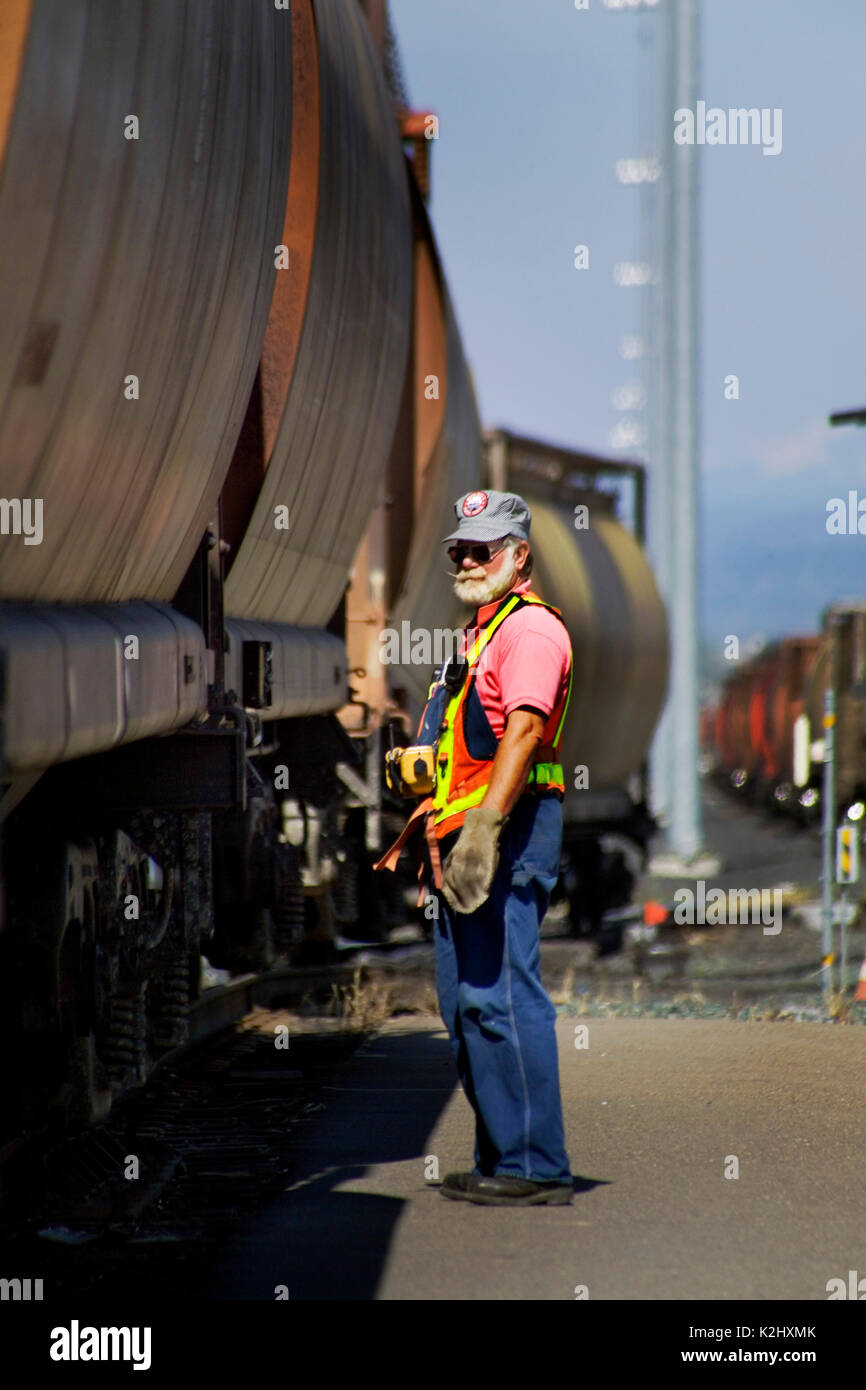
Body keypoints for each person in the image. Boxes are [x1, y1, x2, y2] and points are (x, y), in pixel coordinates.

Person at [378, 489, 574, 1205]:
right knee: (465, 1004)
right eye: (459, 548)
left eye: (482, 549)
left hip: (507, 834)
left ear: (518, 556)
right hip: (462, 838)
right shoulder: (479, 634)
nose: (466, 559)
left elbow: (523, 733)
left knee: (502, 998)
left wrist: (487, 827)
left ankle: (535, 1166)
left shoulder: (530, 634)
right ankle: (502, 1158)